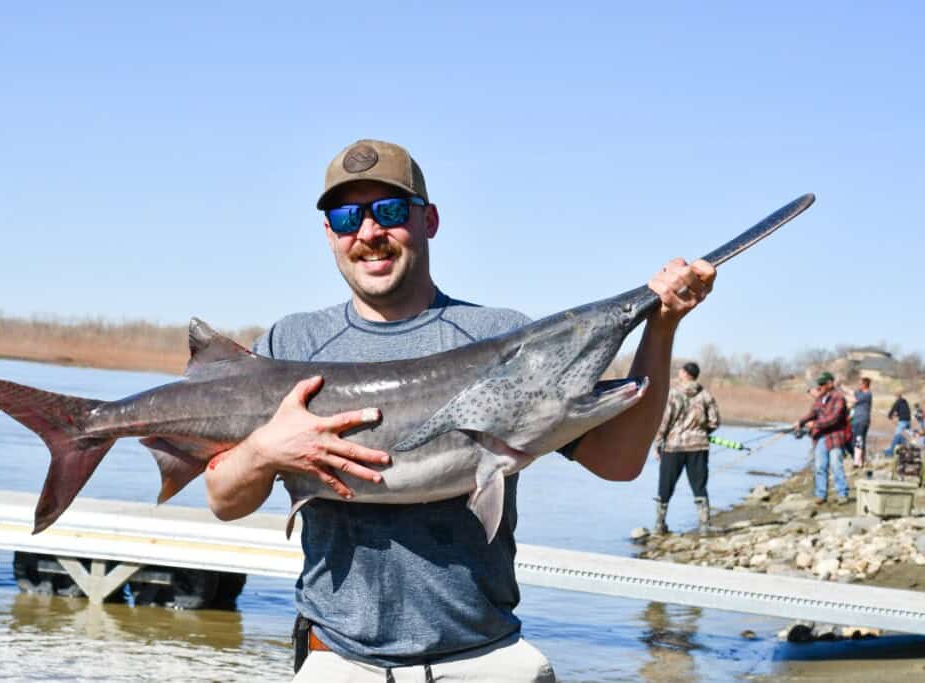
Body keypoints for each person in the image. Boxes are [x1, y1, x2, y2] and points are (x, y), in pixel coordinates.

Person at [203, 139, 716, 682]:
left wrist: (661, 327)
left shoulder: (499, 337)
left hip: (483, 659)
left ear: (430, 221)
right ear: (330, 233)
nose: (370, 233)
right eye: (348, 216)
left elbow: (619, 461)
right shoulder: (293, 343)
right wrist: (264, 451)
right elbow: (225, 500)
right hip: (339, 660)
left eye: (391, 212)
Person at [652, 362, 720, 535]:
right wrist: (701, 432)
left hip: (673, 446)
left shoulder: (673, 394)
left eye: (680, 371)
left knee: (665, 486)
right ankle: (704, 526)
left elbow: (664, 421)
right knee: (699, 485)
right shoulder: (706, 395)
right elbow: (714, 421)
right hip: (699, 446)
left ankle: (659, 526)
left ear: (684, 373)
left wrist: (657, 443)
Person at [796, 372, 850, 504]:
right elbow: (813, 413)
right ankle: (821, 495)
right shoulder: (820, 399)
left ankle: (842, 494)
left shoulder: (839, 398)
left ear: (830, 383)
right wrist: (801, 422)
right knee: (820, 466)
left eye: (822, 384)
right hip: (820, 437)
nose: (819, 387)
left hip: (835, 437)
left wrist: (815, 424)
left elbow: (833, 419)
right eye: (818, 385)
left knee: (836, 465)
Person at [848, 377, 872, 468]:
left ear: (865, 385)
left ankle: (857, 462)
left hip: (862, 420)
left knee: (859, 440)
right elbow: (851, 392)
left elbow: (854, 400)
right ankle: (860, 461)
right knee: (858, 440)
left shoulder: (867, 394)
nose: (858, 385)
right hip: (856, 420)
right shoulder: (860, 393)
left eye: (860, 384)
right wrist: (840, 386)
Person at [885, 392, 911, 457]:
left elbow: (893, 409)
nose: (895, 399)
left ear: (897, 397)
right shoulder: (905, 402)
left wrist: (889, 416)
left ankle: (891, 452)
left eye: (895, 397)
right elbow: (904, 411)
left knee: (897, 436)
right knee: (902, 437)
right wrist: (897, 415)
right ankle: (905, 451)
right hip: (908, 421)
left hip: (903, 421)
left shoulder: (898, 402)